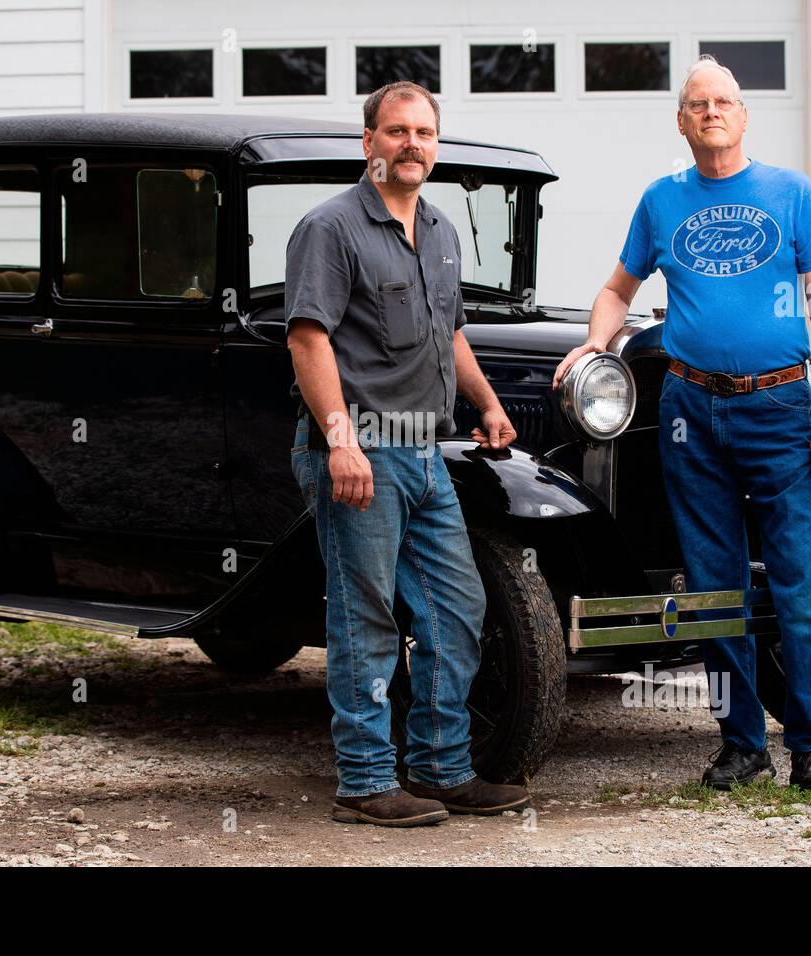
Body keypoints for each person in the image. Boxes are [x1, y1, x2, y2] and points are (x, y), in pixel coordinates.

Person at [553, 55, 811, 792]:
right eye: (697, 103)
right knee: (713, 583)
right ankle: (742, 745)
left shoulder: (792, 194)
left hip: (780, 407)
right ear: (682, 121)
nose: (711, 111)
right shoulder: (661, 200)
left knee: (797, 579)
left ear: (743, 114)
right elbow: (618, 287)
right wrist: (596, 339)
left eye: (723, 101)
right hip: (689, 409)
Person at [286, 81, 533, 825]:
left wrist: (486, 403)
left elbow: (449, 332)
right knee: (365, 617)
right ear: (370, 143)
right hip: (361, 448)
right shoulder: (330, 228)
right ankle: (364, 783)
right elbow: (307, 338)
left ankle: (439, 767)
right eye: (397, 131)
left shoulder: (441, 231)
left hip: (425, 452)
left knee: (458, 606)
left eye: (424, 132)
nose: (412, 144)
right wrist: (341, 442)